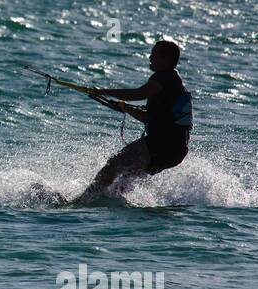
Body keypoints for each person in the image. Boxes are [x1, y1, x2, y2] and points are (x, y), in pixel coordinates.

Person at [78, 40, 192, 201]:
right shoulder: (173, 84)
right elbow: (148, 118)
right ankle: (106, 202)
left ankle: (82, 201)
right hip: (174, 151)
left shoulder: (165, 77)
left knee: (113, 165)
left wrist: (102, 91)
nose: (150, 57)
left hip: (162, 144)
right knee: (124, 179)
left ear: (166, 59)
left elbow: (138, 94)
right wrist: (125, 108)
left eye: (154, 54)